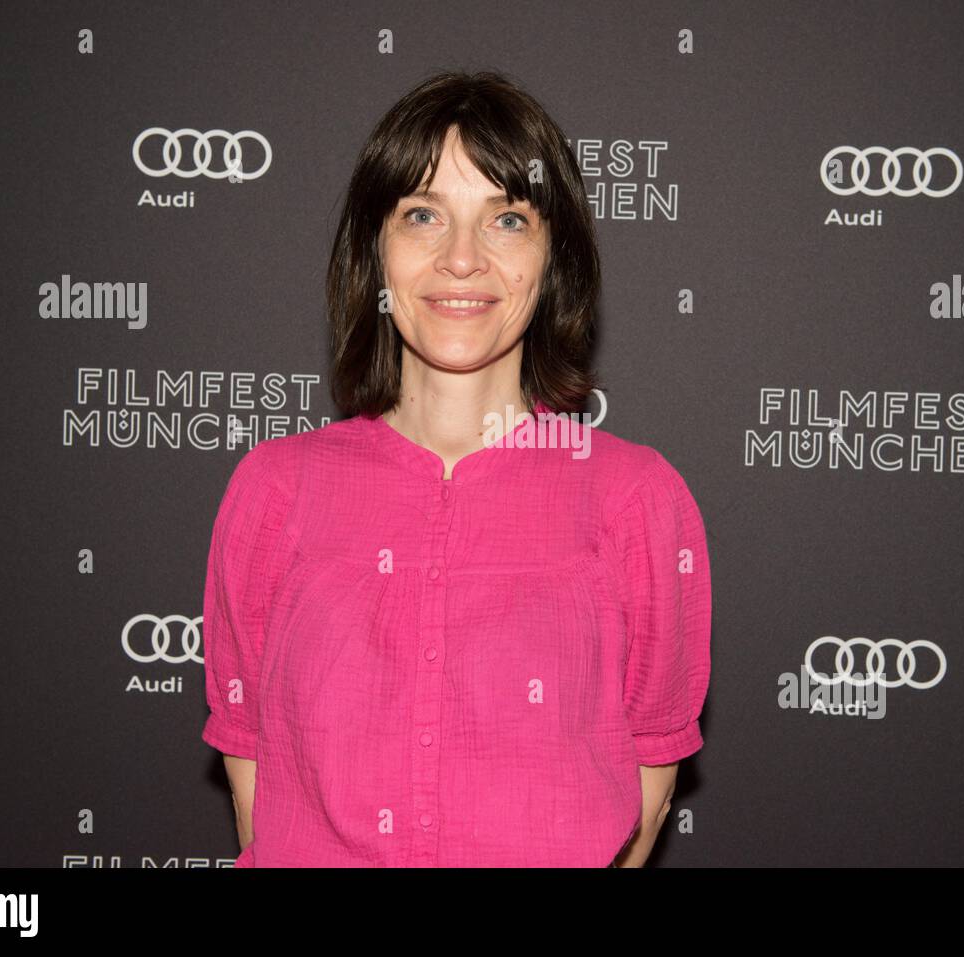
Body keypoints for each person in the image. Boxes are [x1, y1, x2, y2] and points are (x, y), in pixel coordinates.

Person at [201, 70, 711, 867]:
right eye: (423, 215)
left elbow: (645, 799)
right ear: (375, 250)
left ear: (554, 258)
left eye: (507, 218)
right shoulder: (273, 491)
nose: (462, 259)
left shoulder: (635, 499)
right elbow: (253, 786)